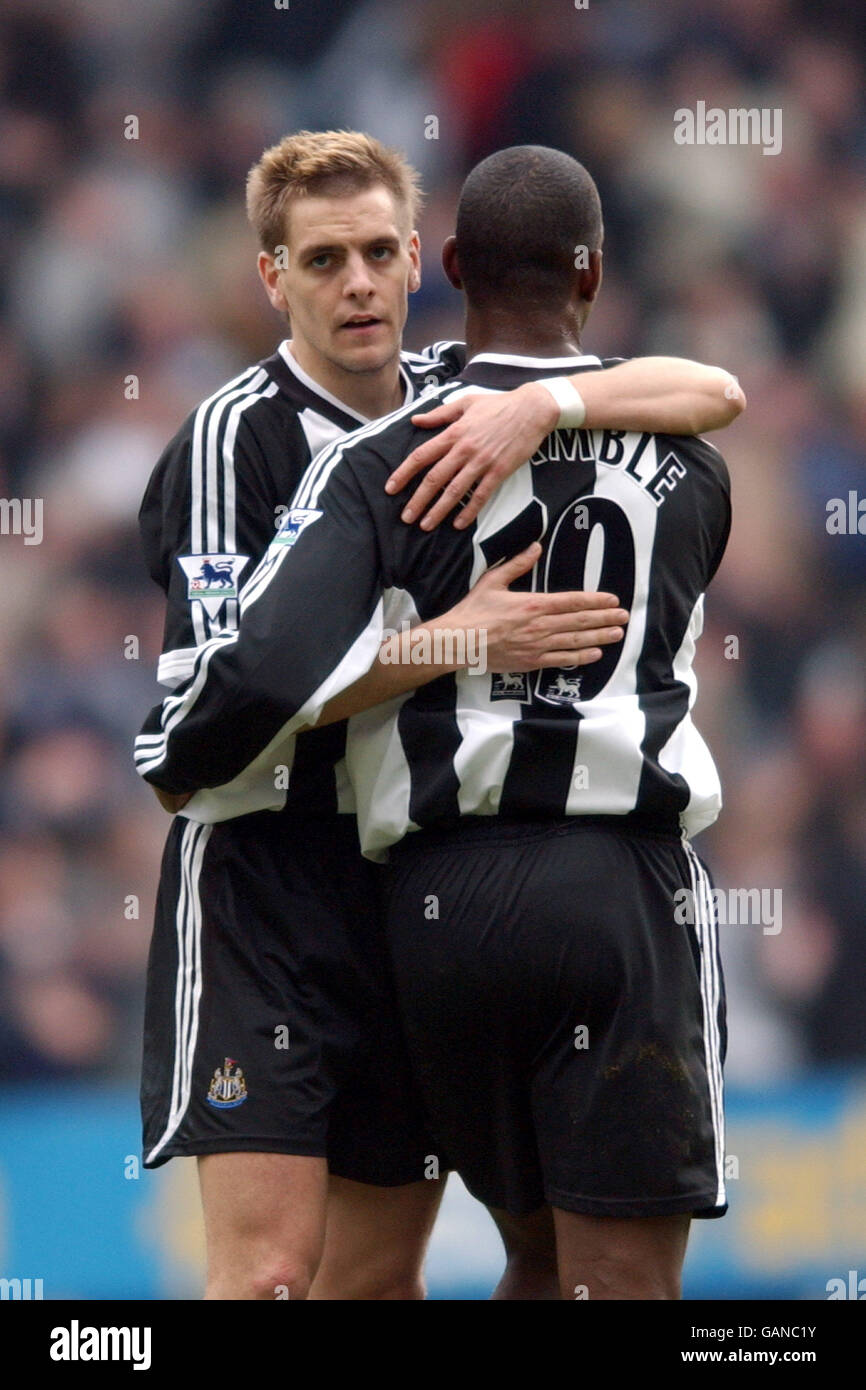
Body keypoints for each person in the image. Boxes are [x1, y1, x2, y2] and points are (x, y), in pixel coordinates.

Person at [138, 132, 742, 1300]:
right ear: (272, 279)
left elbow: (713, 390)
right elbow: (206, 721)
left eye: (375, 253)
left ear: (428, 261)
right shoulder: (235, 438)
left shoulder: (443, 406)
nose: (356, 282)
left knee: (376, 1277)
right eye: (321, 261)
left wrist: (547, 405)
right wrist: (449, 644)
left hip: (407, 881)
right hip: (265, 870)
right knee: (265, 1278)